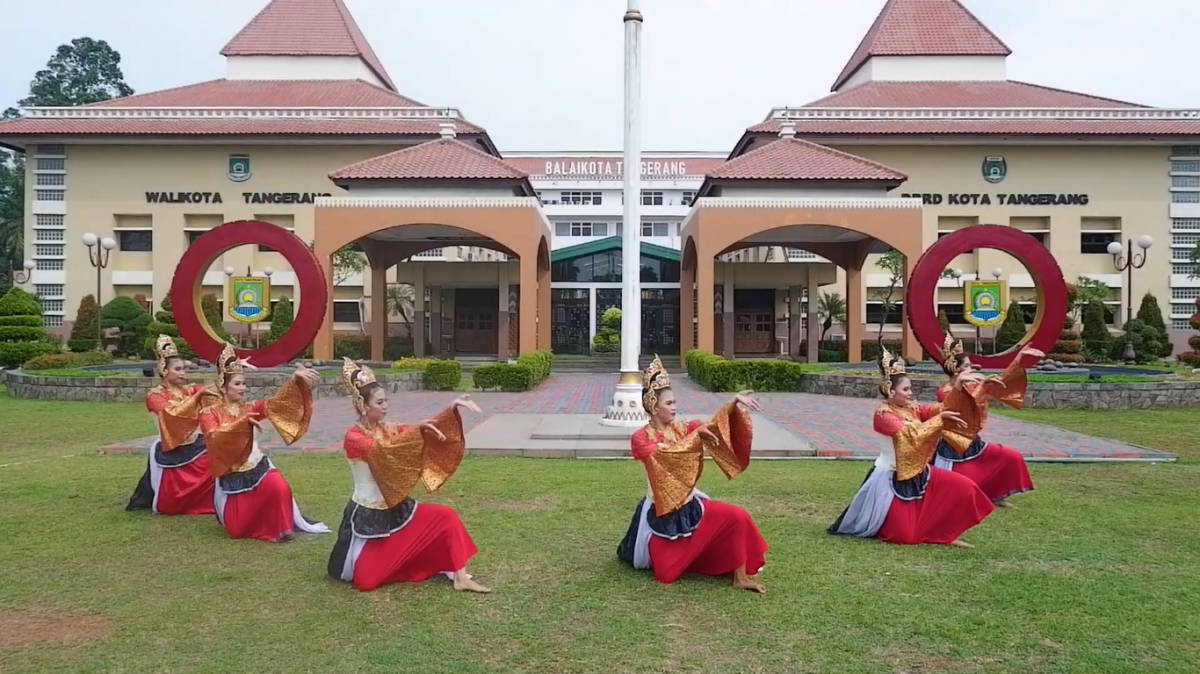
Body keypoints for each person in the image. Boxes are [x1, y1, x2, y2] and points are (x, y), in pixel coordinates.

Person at [327, 359, 489, 593]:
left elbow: (419, 432)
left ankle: (461, 577)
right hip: (368, 516)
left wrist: (450, 409)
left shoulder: (388, 429)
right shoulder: (354, 438)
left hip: (396, 508)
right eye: (380, 402)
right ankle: (414, 558)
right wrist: (416, 433)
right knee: (365, 581)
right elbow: (383, 451)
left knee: (446, 516)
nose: (385, 406)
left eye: (386, 401)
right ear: (363, 405)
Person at [616, 356, 769, 593]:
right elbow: (667, 456)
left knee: (737, 517)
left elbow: (712, 425)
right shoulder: (641, 438)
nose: (675, 407)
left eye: (675, 402)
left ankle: (740, 577)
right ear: (654, 406)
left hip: (690, 504)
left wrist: (732, 404)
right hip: (661, 511)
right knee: (666, 575)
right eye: (669, 403)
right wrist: (696, 436)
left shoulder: (683, 427)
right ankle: (697, 554)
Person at [829, 346, 994, 547]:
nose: (911, 393)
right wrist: (940, 420)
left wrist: (958, 386)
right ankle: (914, 527)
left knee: (967, 488)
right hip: (891, 478)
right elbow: (911, 437)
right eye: (905, 389)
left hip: (919, 470)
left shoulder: (911, 408)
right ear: (890, 391)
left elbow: (939, 409)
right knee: (904, 537)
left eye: (910, 388)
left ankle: (943, 534)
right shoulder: (883, 415)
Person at [198, 343, 330, 542]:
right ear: (223, 387)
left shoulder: (248, 408)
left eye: (244, 383)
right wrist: (240, 424)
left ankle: (282, 528)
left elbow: (273, 405)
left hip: (258, 467)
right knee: (237, 530)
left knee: (280, 488)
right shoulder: (209, 413)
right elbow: (214, 436)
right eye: (237, 384)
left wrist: (294, 381)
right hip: (232, 476)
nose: (243, 388)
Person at [934, 334, 1038, 507]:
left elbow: (1001, 383)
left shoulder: (974, 384)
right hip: (953, 448)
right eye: (967, 365)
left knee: (1011, 457)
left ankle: (997, 496)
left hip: (974, 443)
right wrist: (982, 387)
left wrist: (1018, 360)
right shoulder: (944, 391)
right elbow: (964, 406)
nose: (972, 367)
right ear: (956, 369)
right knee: (960, 492)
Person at [126, 335, 218, 515]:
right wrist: (196, 398)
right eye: (178, 369)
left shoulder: (189, 390)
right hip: (173, 447)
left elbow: (216, 392)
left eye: (184, 368)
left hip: (194, 443)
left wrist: (229, 372)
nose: (183, 373)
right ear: (164, 371)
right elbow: (173, 415)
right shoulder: (155, 396)